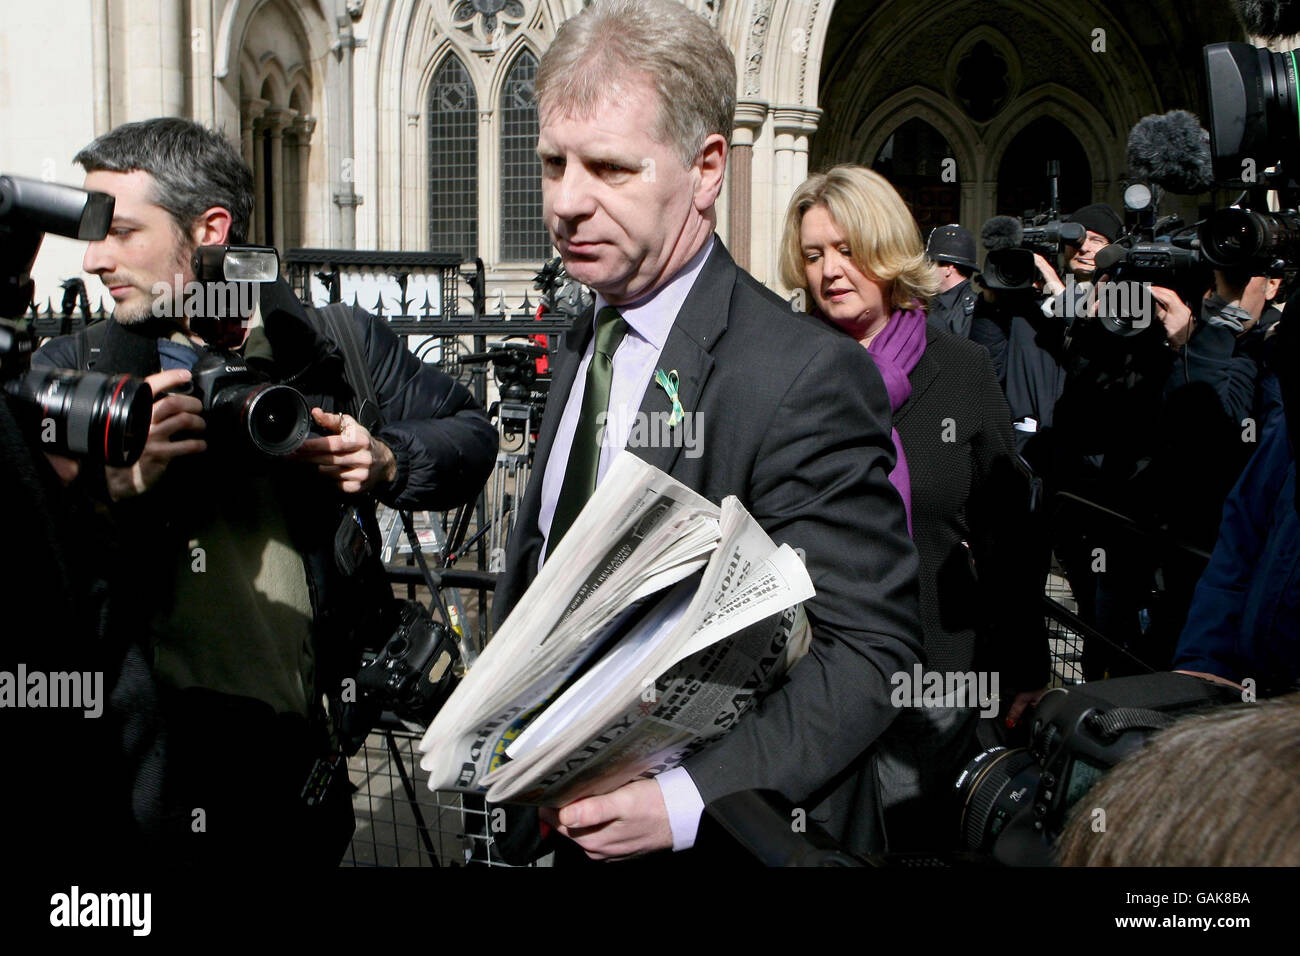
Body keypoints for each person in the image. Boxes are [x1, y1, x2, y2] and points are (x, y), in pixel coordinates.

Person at [491, 0, 921, 863]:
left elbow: (868, 654)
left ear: (707, 168)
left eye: (608, 168)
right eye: (551, 163)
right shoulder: (587, 337)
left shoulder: (802, 376)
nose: (566, 202)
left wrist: (684, 802)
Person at [33, 117, 498, 865]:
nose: (92, 259)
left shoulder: (327, 345)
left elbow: (472, 432)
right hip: (152, 779)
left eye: (120, 232)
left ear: (210, 229)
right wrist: (106, 488)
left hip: (302, 772)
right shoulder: (74, 372)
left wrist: (386, 460)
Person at [778, 165, 1049, 850]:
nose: (831, 271)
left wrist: (1023, 668)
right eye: (814, 256)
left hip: (939, 680)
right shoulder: (784, 369)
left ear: (888, 251)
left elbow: (1007, 528)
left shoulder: (958, 368)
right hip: (809, 681)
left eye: (848, 249)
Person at [925, 224, 979, 338]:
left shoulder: (973, 312)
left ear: (948, 268)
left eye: (930, 264)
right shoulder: (931, 303)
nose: (926, 270)